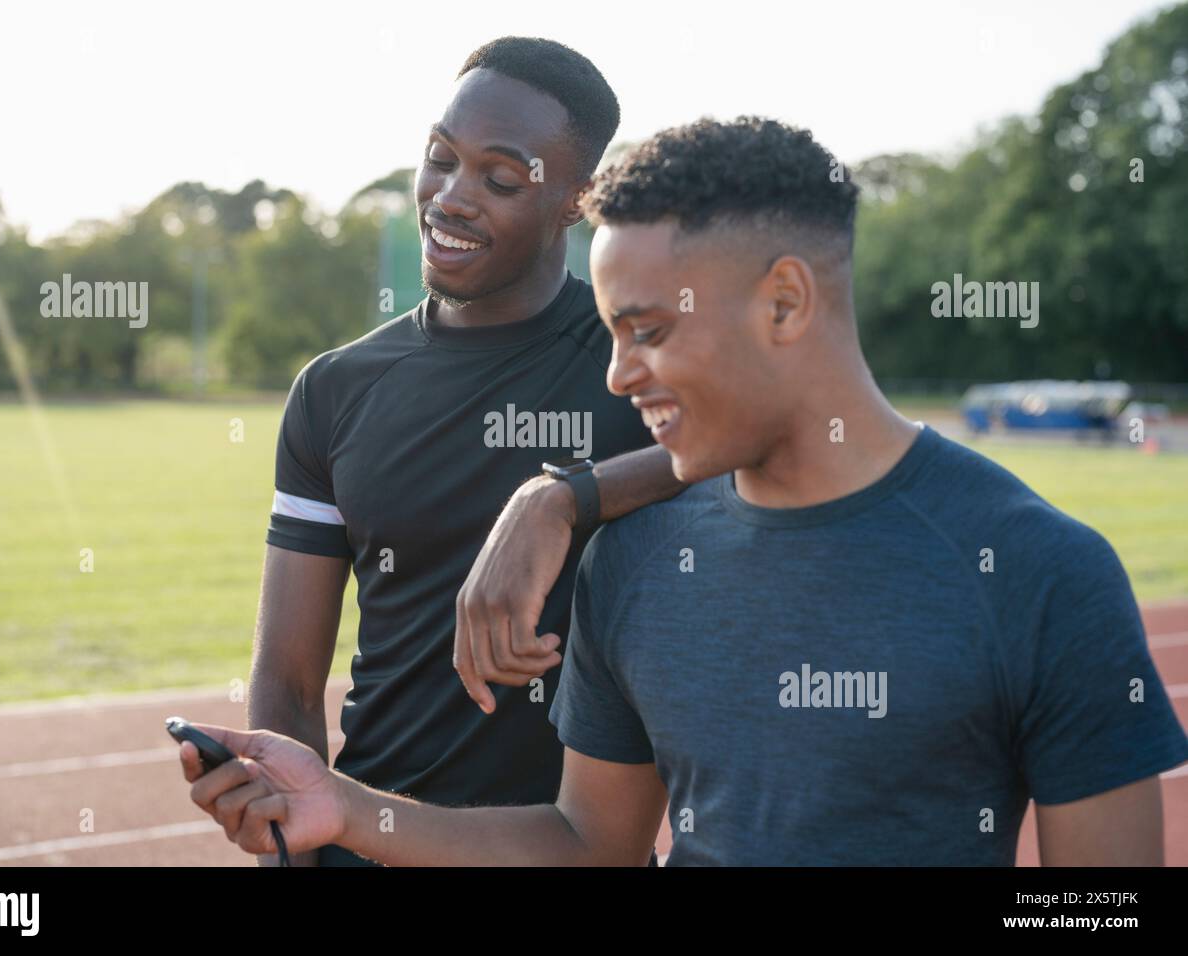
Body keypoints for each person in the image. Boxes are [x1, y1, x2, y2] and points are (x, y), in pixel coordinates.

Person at [193, 116, 1188, 865]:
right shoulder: (633, 555)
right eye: (612, 332)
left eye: (649, 330)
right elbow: (588, 841)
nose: (619, 375)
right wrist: (343, 807)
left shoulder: (1044, 569)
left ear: (785, 302)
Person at [252, 35, 683, 866]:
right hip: (367, 840)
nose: (450, 196)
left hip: (563, 850)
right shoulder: (334, 390)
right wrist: (290, 858)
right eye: (440, 158)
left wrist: (562, 499)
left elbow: (761, 446)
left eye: (500, 177)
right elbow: (290, 683)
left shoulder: (637, 363)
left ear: (575, 200)